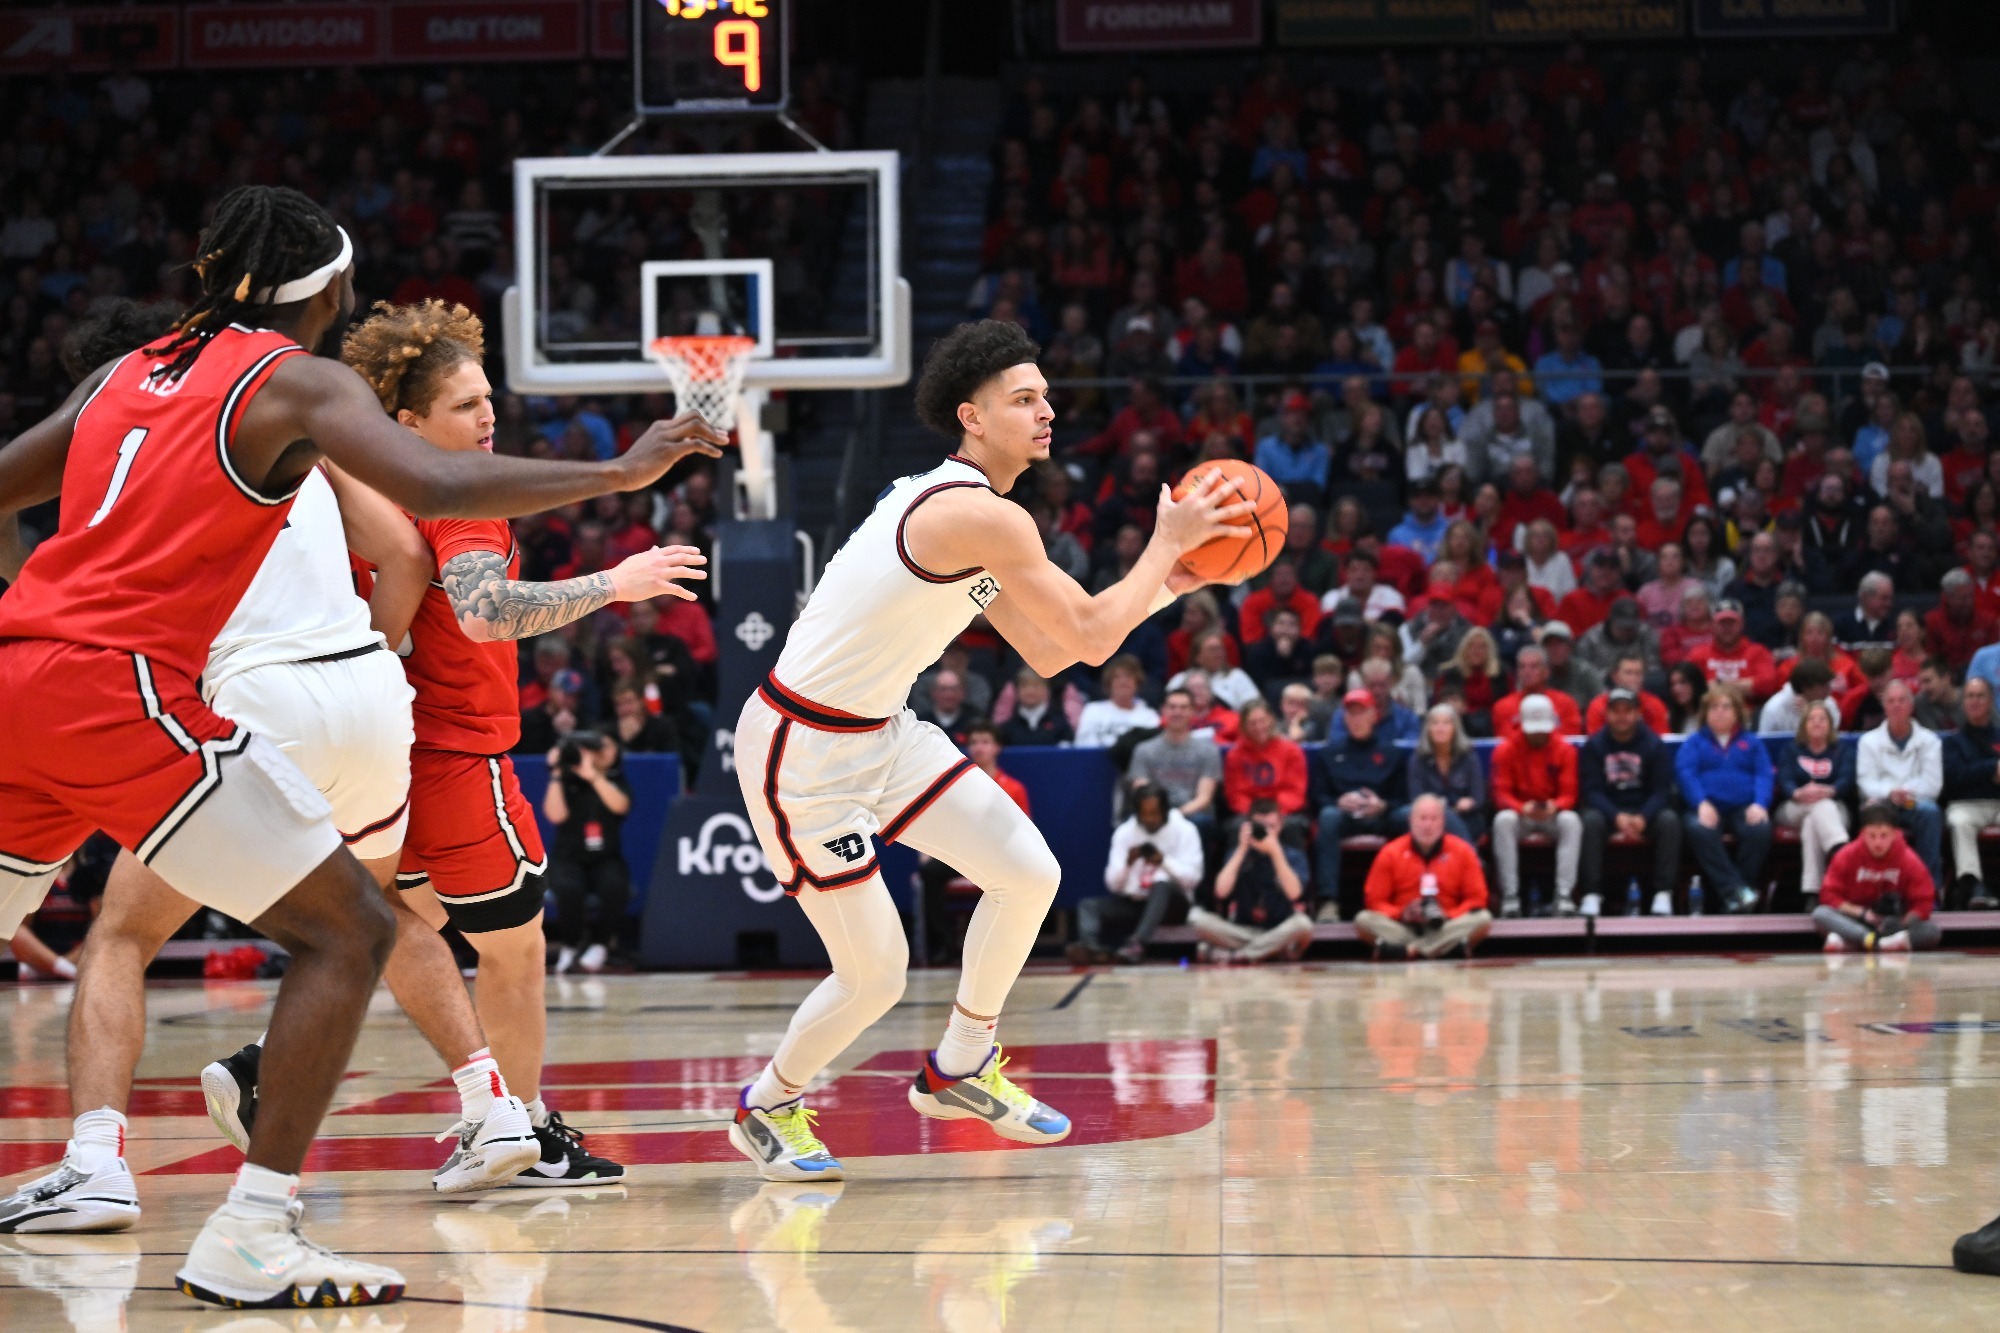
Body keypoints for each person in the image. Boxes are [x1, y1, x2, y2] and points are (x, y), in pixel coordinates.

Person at [0, 185, 717, 1304]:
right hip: (126, 690)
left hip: (19, 675)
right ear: (329, 288)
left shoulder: (116, 375)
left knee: (132, 933)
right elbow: (426, 491)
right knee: (351, 931)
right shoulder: (297, 378)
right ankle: (253, 1231)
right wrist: (621, 475)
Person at [728, 320, 1250, 1181]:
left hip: (882, 733)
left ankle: (962, 1064)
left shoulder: (982, 514)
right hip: (800, 749)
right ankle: (769, 1100)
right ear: (972, 416)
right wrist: (1167, 543)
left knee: (1029, 871)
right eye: (1025, 398)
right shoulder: (972, 512)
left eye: (1045, 395)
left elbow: (1049, 650)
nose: (1048, 410)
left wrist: (1177, 583)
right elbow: (1084, 635)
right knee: (876, 976)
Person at [341, 301, 663, 1188]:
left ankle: (265, 1061)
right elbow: (484, 612)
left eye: (488, 398)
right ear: (409, 423)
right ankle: (518, 1128)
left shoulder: (361, 497)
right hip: (457, 752)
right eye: (464, 404)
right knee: (515, 948)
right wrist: (617, 582)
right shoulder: (456, 496)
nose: (488, 417)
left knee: (397, 925)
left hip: (382, 750)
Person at [917, 723, 1033, 966]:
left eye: (985, 741)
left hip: (998, 856)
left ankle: (1006, 947)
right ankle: (944, 945)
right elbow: (941, 823)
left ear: (997, 748)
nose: (978, 747)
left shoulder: (1013, 787)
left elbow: (1024, 831)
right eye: (974, 742)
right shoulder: (955, 784)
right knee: (929, 873)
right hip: (963, 854)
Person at [1579, 688, 1683, 918]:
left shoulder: (1654, 744)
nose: (1622, 716)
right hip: (1609, 810)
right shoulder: (1594, 745)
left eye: (1628, 710)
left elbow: (1662, 790)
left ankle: (1663, 893)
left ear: (1638, 713)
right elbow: (1592, 791)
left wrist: (1643, 817)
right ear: (1607, 714)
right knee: (1589, 820)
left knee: (1669, 820)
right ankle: (1591, 893)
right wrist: (1615, 816)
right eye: (1616, 711)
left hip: (1644, 810)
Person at [1075, 783, 1203, 964]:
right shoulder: (1125, 833)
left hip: (1174, 905)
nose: (1150, 819)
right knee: (1089, 905)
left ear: (1166, 810)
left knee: (1161, 883)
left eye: (1155, 813)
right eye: (1144, 814)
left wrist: (1163, 862)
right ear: (1136, 813)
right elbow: (1112, 885)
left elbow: (1193, 880)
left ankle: (1137, 944)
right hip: (1137, 903)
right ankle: (1090, 948)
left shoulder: (1185, 830)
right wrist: (1128, 864)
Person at [1354, 796, 1493, 960]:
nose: (1428, 825)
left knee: (1483, 919)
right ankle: (1440, 949)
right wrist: (1402, 913)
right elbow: (1374, 901)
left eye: (1434, 819)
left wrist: (1448, 914)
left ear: (1443, 822)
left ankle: (1410, 950)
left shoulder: (1462, 851)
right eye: (1422, 818)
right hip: (1403, 927)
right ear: (1410, 820)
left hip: (1445, 926)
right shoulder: (1390, 852)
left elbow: (1477, 900)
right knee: (1362, 920)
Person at [1678, 686, 1775, 914]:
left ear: (1737, 712)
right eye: (1714, 707)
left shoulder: (1752, 743)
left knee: (1760, 828)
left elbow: (1764, 774)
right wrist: (1700, 802)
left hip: (1743, 805)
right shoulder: (1694, 743)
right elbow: (1685, 773)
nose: (1720, 712)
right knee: (1698, 829)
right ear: (1705, 713)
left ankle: (1738, 895)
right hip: (1707, 806)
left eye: (1726, 707)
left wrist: (1760, 803)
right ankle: (1736, 892)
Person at [542, 730, 632, 975]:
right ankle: (570, 945)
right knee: (569, 890)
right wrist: (557, 773)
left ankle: (601, 944)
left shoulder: (615, 778)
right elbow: (554, 815)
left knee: (615, 886)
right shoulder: (567, 780)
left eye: (607, 747)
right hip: (568, 856)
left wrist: (594, 777)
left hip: (605, 857)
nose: (602, 752)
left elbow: (621, 805)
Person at [1312, 689, 1412, 907]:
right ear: (1344, 718)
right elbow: (1317, 796)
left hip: (1382, 817)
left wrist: (1383, 805)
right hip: (1345, 817)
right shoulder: (1328, 753)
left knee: (1407, 816)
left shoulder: (1392, 753)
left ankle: (1407, 896)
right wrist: (1338, 802)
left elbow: (1404, 797)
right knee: (1328, 816)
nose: (1356, 719)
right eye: (1351, 714)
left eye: (1361, 713)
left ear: (1373, 716)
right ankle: (1328, 901)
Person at [1189, 798, 1314, 963]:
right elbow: (1221, 891)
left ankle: (1240, 955)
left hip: (1279, 928)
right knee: (1196, 918)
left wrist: (1276, 853)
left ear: (1281, 826)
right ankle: (1268, 951)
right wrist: (1241, 849)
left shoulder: (1292, 855)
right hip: (1244, 930)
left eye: (1271, 827)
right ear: (1248, 826)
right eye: (1261, 827)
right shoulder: (1239, 853)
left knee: (1303, 925)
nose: (1266, 832)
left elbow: (1294, 894)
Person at [1489, 695, 1583, 917]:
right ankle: (1510, 896)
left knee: (1571, 821)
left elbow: (1570, 793)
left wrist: (1556, 806)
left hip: (1552, 814)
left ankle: (1564, 894)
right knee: (1503, 820)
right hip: (1521, 814)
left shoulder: (1565, 750)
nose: (1538, 734)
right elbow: (1500, 793)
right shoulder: (1505, 750)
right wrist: (1521, 807)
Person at [1856, 678, 1946, 891]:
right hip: (1883, 803)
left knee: (1930, 812)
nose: (1896, 705)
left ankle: (1929, 888)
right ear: (1884, 706)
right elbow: (1865, 783)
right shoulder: (1868, 741)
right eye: (1891, 701)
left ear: (1911, 706)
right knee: (1870, 809)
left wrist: (1906, 794)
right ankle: (1871, 889)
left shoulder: (1930, 741)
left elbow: (1933, 785)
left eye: (1902, 700)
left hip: (1913, 803)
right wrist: (1889, 793)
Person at [1815, 802, 1942, 953]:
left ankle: (1853, 943)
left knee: (1932, 932)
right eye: (1872, 836)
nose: (1878, 843)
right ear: (1863, 833)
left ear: (1894, 833)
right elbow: (1828, 895)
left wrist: (1902, 923)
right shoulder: (1846, 855)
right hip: (1856, 920)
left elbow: (1924, 902)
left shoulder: (1909, 859)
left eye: (1884, 836)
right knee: (1821, 914)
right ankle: (1874, 942)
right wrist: (1862, 914)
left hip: (1895, 925)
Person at [1774, 700, 1855, 906]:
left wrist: (1828, 790)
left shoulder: (1842, 750)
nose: (1817, 723)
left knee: (1815, 820)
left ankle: (1812, 892)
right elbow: (1785, 780)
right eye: (1812, 719)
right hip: (1794, 807)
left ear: (1830, 724)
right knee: (1819, 808)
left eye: (1822, 718)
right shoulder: (1792, 750)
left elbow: (1846, 779)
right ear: (1804, 724)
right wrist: (1800, 792)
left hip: (1833, 807)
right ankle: (1841, 851)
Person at [1126, 688, 1222, 831]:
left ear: (1192, 712)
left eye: (1183, 708)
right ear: (1163, 711)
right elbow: (1143, 793)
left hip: (1192, 814)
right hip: (1154, 813)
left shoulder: (1208, 751)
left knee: (1202, 822)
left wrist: (1176, 816)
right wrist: (1162, 816)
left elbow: (1204, 799)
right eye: (1172, 707)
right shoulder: (1143, 750)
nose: (1177, 712)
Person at [1943, 675, 2000, 910]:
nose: (1975, 701)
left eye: (1980, 696)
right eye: (1970, 696)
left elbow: (1966, 774)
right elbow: (1954, 780)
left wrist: (1975, 773)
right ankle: (1972, 884)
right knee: (1959, 821)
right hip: (1967, 805)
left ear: (1991, 701)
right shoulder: (1953, 742)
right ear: (1963, 702)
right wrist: (1991, 769)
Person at [1408, 704, 1485, 845]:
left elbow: (1479, 798)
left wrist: (1470, 803)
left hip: (1465, 816)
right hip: (1428, 818)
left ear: (1455, 728)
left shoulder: (1468, 756)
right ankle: (1472, 859)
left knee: (1462, 823)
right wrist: (1439, 809)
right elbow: (1415, 797)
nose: (1440, 728)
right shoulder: (1418, 759)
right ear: (1428, 729)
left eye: (1446, 723)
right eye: (1435, 723)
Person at [1492, 645, 1584, 736]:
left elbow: (1571, 740)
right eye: (1522, 666)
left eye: (1534, 666)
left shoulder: (1566, 703)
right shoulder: (1503, 707)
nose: (1527, 671)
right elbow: (1506, 741)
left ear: (1546, 671)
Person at [1073, 655, 1160, 747]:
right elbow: (1081, 746)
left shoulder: (1149, 717)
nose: (1123, 681)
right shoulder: (1092, 711)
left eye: (1128, 676)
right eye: (1117, 677)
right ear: (1109, 683)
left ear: (1137, 682)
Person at [1584, 653, 1671, 734]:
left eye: (1638, 673)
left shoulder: (1655, 705)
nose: (1634, 678)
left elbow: (1662, 741)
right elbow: (1594, 743)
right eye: (1628, 673)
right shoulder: (1598, 706)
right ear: (1615, 676)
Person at [1760, 658, 1841, 734]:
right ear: (1806, 687)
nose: (1829, 690)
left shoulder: (1830, 704)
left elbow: (1831, 741)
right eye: (1823, 685)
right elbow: (1766, 743)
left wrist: (1808, 713)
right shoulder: (1774, 708)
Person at [997, 668, 1071, 746]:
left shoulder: (1061, 726)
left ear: (1046, 690)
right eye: (1024, 686)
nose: (1030, 691)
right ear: (1016, 691)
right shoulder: (1006, 730)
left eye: (1036, 686)